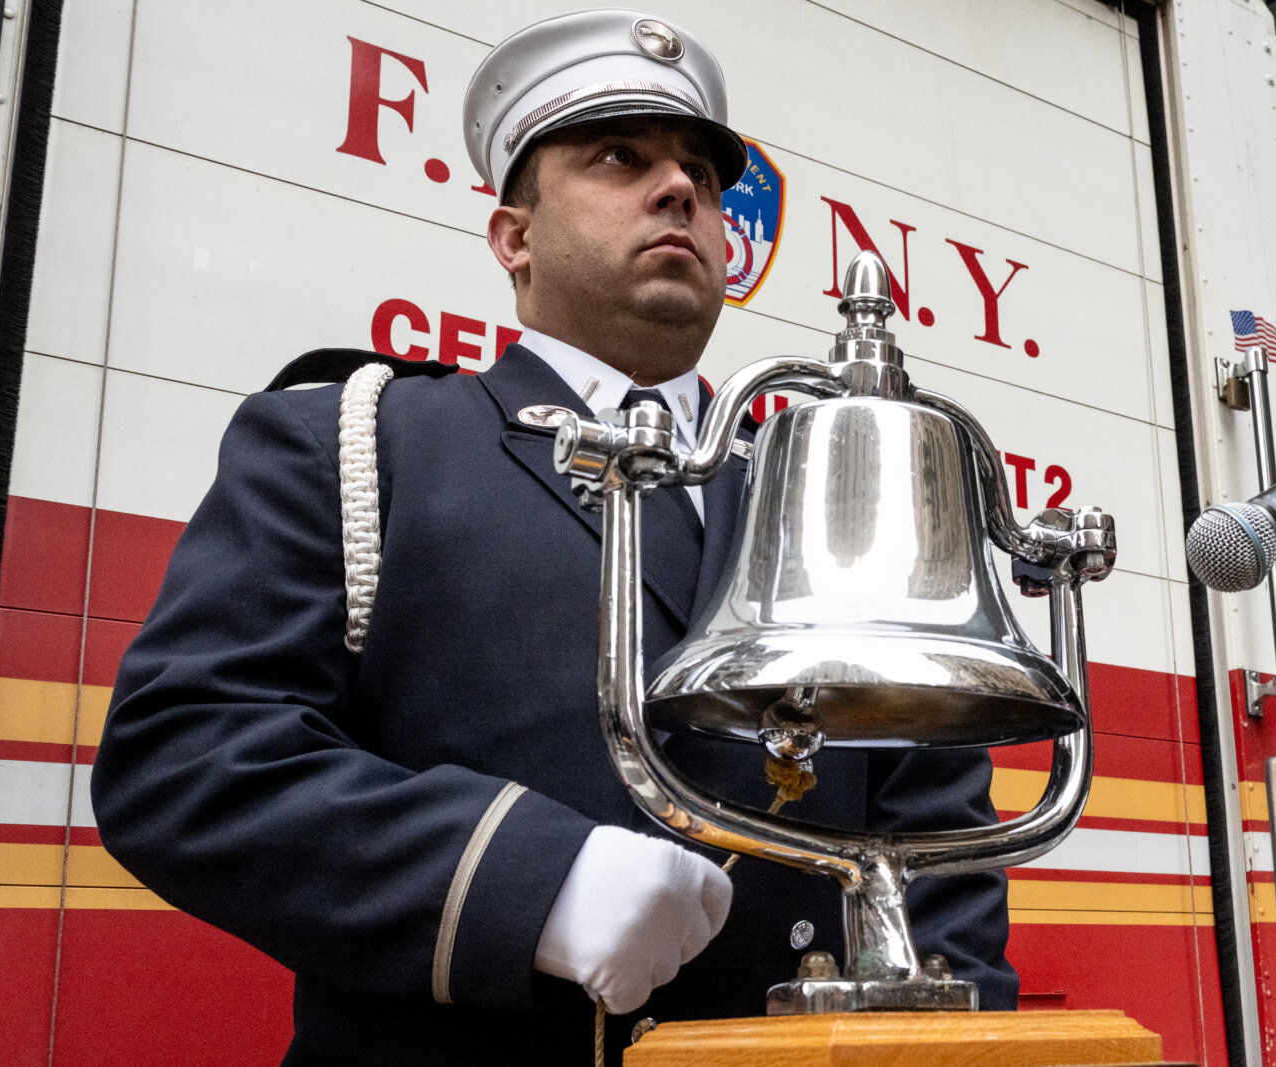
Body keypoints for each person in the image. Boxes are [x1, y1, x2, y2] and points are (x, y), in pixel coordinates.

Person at [91, 9, 1016, 1064]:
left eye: (703, 181)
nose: (679, 191)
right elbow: (187, 757)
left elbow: (933, 833)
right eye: (618, 158)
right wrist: (524, 880)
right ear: (514, 237)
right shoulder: (362, 440)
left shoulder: (818, 505)